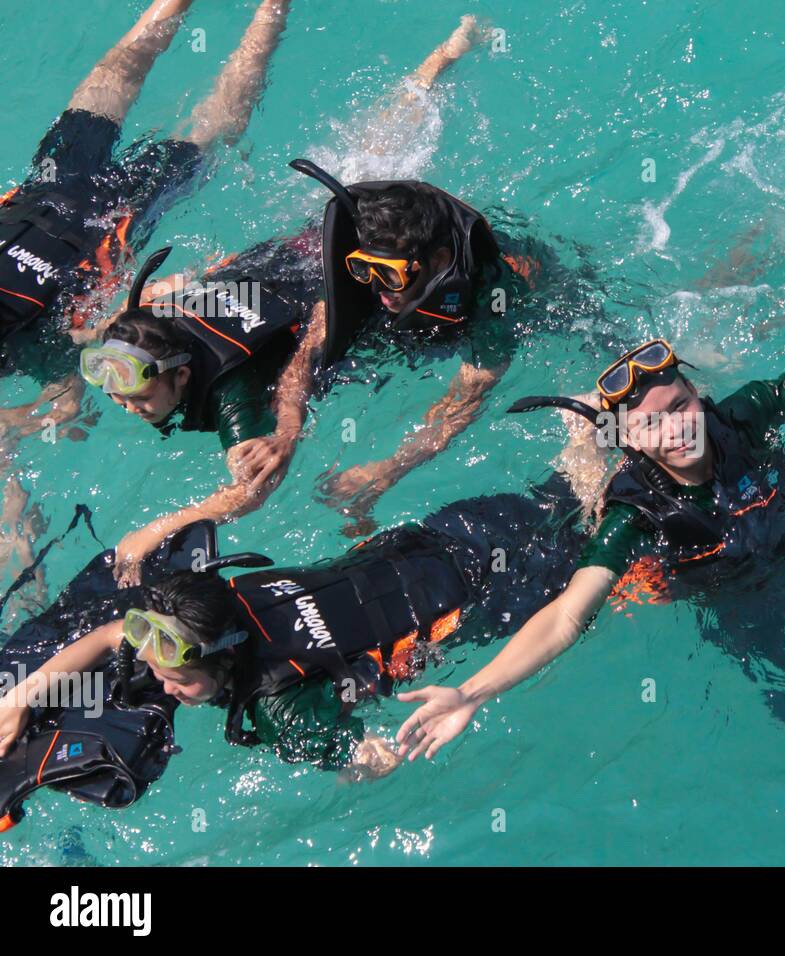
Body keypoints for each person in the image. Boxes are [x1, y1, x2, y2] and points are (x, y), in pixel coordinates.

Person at [394, 208, 785, 759]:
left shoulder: (739, 416)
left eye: (683, 405)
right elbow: (566, 617)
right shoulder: (634, 513)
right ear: (630, 441)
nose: (680, 428)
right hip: (730, 594)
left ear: (700, 396)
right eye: (656, 423)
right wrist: (472, 693)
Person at [67, 15, 482, 588]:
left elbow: (249, 490)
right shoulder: (146, 324)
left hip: (326, 286)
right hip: (297, 253)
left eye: (136, 392)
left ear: (183, 377)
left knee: (371, 182)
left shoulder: (232, 390)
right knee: (366, 166)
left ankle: (435, 65)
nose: (124, 403)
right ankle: (436, 63)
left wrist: (156, 530)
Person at [0, 469, 585, 827]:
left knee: (628, 557)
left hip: (498, 596)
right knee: (574, 491)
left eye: (178, 680)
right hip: (452, 530)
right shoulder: (212, 599)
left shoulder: (277, 710)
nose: (164, 686)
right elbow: (108, 635)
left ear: (226, 659)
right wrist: (22, 699)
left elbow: (374, 758)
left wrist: (345, 776)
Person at [0, 0, 293, 588]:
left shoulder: (21, 352)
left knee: (200, 122)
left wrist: (14, 440)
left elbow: (68, 408)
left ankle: (256, 11)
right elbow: (72, 399)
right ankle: (269, 11)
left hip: (88, 208)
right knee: (163, 94)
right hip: (85, 206)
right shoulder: (27, 350)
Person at [278, 99, 580, 535]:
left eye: (390, 276)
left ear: (437, 261)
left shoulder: (492, 301)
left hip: (542, 295)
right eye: (365, 269)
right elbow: (310, 346)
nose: (376, 288)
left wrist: (386, 470)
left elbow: (463, 401)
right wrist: (288, 427)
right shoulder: (376, 275)